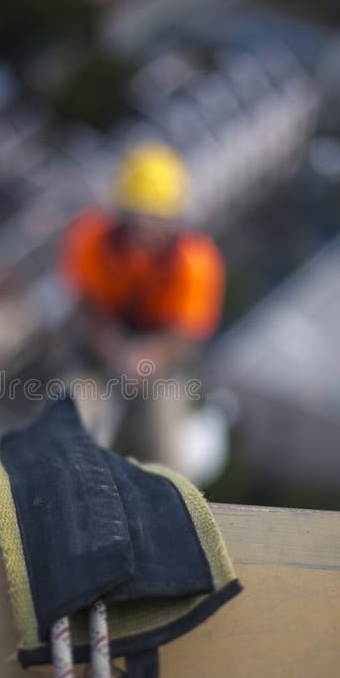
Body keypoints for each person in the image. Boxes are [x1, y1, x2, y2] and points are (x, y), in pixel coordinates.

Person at [61, 142, 226, 467]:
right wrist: (113, 347)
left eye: (153, 219)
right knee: (66, 416)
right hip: (98, 353)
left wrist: (149, 357)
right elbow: (86, 308)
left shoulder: (196, 263)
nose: (142, 229)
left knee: (163, 449)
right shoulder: (90, 238)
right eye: (135, 216)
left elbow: (187, 337)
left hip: (163, 366)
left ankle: (165, 508)